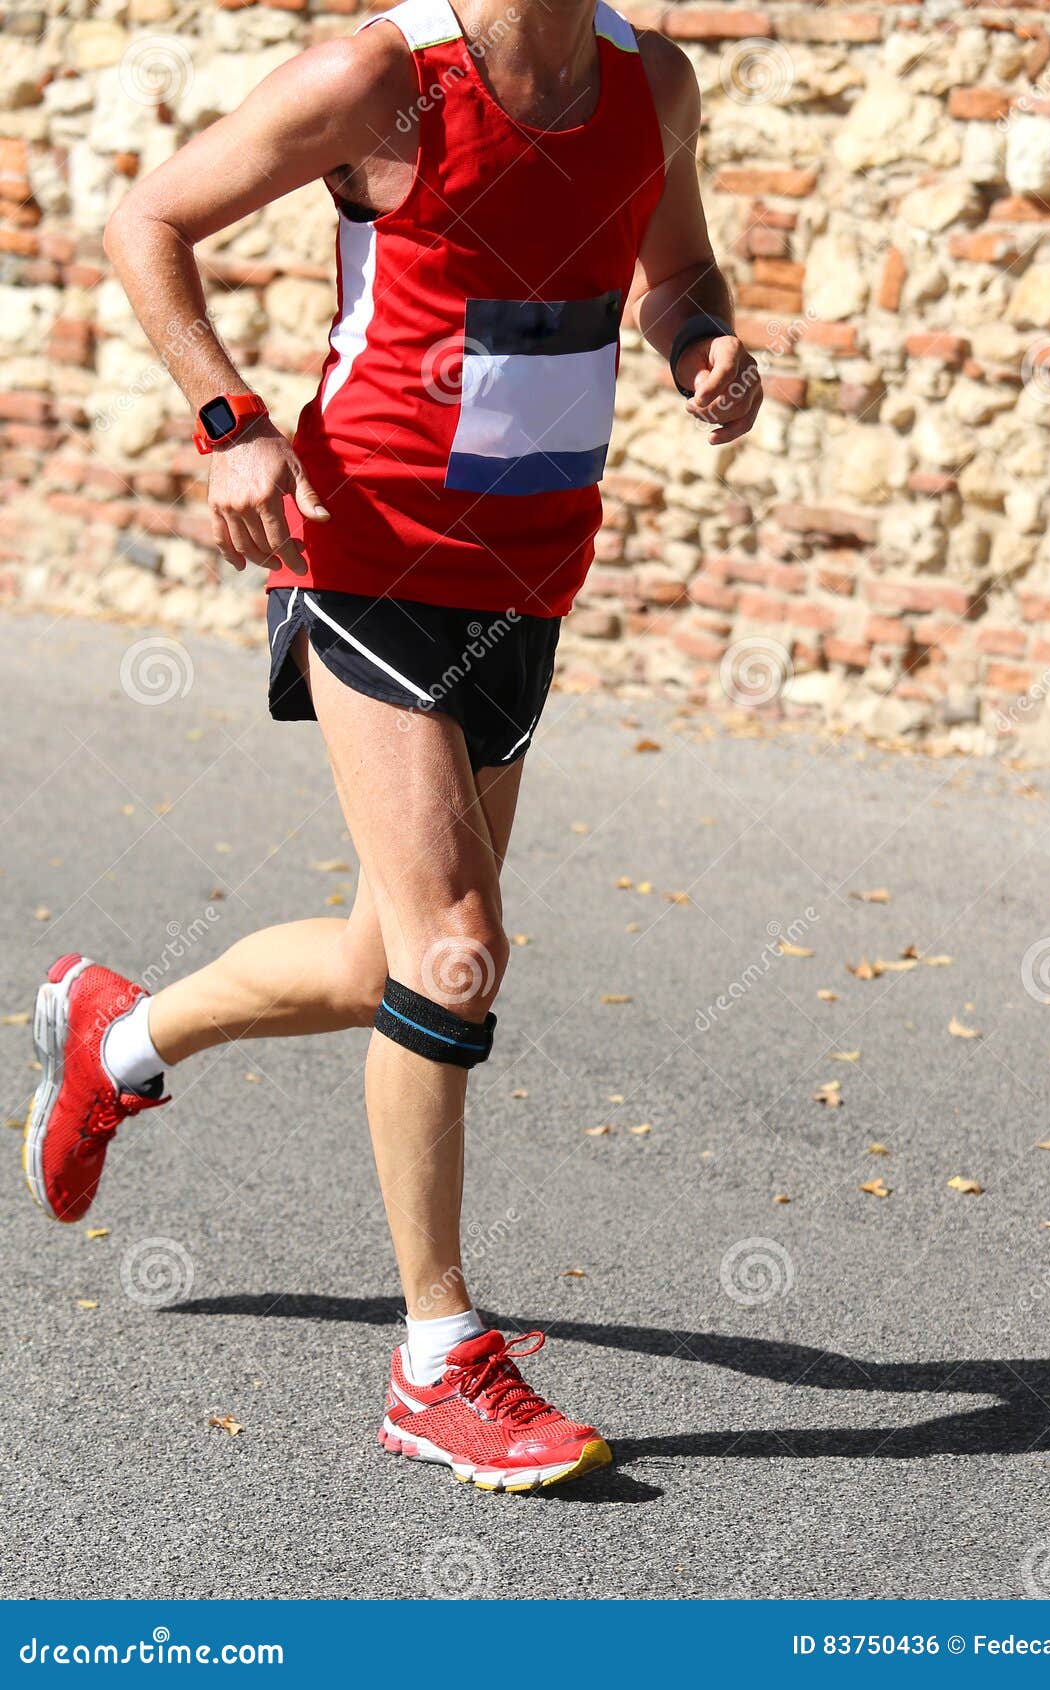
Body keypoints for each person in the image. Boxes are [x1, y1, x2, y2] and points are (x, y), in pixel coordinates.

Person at [23, 0, 762, 1492]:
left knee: (386, 956)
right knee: (457, 949)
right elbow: (145, 221)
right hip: (368, 552)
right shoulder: (385, 77)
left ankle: (112, 1040)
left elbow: (674, 274)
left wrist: (706, 343)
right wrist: (229, 418)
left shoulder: (652, 84)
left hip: (528, 577)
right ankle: (437, 1356)